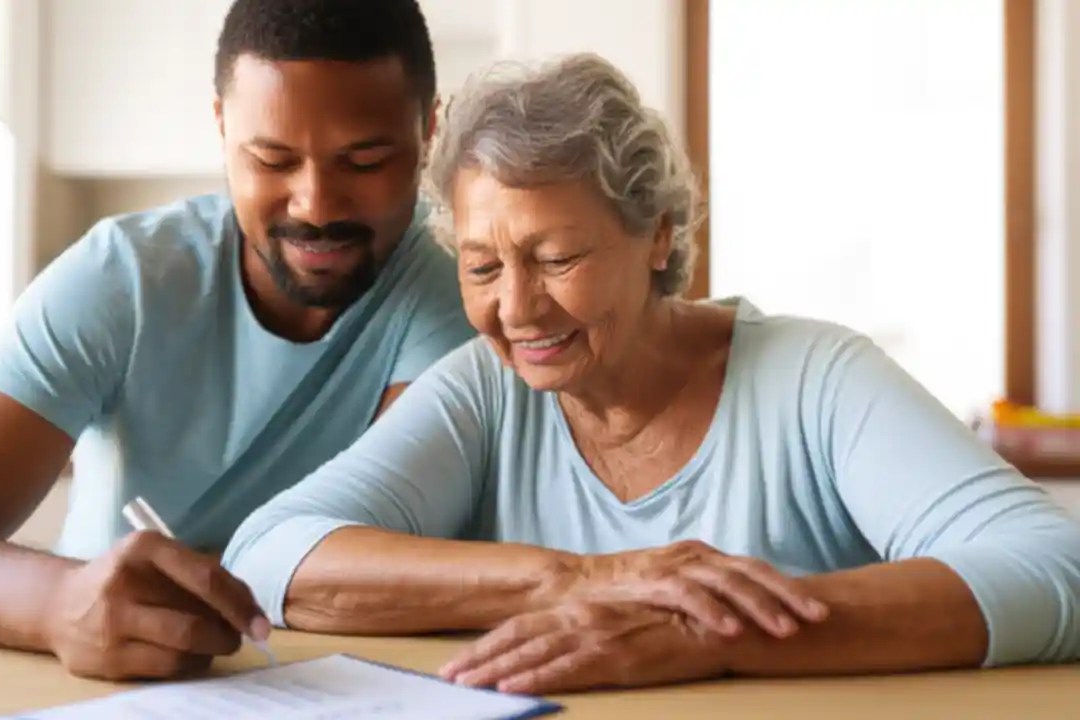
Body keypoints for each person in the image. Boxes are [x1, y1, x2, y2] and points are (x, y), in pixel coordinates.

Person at [222, 53, 1080, 694]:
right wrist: (586, 579)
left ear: (658, 235)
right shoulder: (485, 391)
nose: (516, 310)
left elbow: (1054, 567)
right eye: (481, 267)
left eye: (555, 257)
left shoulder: (816, 378)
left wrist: (715, 634)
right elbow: (266, 556)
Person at [0, 0, 473, 681]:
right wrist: (54, 604)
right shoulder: (124, 279)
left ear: (429, 130)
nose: (315, 205)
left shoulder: (465, 283)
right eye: (272, 158)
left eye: (365, 161)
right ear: (222, 126)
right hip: (105, 682)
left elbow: (380, 542)